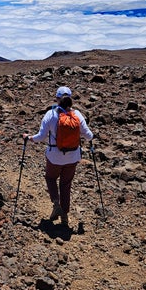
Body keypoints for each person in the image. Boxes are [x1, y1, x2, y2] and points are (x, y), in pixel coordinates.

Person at [27, 86, 94, 229]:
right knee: (66, 184)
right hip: (73, 156)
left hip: (54, 157)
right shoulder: (77, 115)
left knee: (51, 178)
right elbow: (89, 136)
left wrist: (29, 138)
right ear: (71, 99)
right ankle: (64, 215)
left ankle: (56, 204)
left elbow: (40, 137)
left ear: (57, 99)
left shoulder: (51, 114)